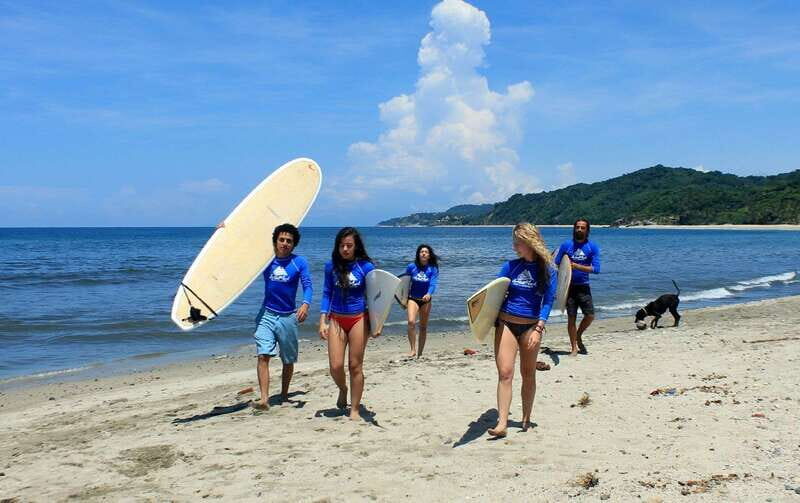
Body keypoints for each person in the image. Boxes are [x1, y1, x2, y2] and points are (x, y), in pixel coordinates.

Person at [489, 223, 556, 437]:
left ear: (529, 243)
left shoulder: (548, 270)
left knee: (528, 373)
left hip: (531, 325)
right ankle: (502, 424)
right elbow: (493, 294)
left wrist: (539, 328)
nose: (514, 247)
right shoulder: (510, 267)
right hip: (507, 322)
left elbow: (548, 300)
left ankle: (526, 417)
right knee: (505, 373)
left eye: (517, 243)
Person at [252, 223, 312, 410]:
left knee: (288, 359)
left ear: (293, 244)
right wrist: (225, 229)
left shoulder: (299, 262)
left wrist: (305, 303)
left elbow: (308, 285)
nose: (285, 243)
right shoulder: (266, 261)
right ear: (275, 241)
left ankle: (284, 394)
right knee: (263, 355)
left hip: (288, 317)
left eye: (289, 241)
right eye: (281, 240)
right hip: (267, 314)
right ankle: (264, 399)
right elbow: (242, 252)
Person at [318, 227, 377, 420]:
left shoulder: (366, 268)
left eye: (349, 245)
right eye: (342, 245)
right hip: (336, 319)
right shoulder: (331, 267)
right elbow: (327, 293)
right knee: (335, 366)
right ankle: (343, 389)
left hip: (358, 318)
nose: (345, 249)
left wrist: (378, 324)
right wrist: (322, 320)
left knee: (355, 366)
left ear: (355, 246)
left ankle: (355, 409)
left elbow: (376, 298)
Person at [554, 219, 601, 356]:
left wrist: (577, 266)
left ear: (587, 230)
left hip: (583, 287)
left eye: (583, 228)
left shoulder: (592, 247)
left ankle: (579, 335)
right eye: (577, 227)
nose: (579, 230)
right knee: (571, 318)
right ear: (574, 229)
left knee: (590, 315)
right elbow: (557, 263)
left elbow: (596, 269)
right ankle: (574, 347)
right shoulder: (566, 245)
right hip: (568, 287)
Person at [402, 244, 440, 358]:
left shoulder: (433, 268)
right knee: (411, 322)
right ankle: (413, 350)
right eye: (421, 252)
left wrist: (429, 293)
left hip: (426, 300)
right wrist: (402, 299)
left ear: (429, 255)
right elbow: (404, 283)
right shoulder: (411, 267)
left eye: (426, 252)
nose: (423, 253)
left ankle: (420, 353)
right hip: (413, 298)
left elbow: (433, 283)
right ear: (418, 254)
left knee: (423, 327)